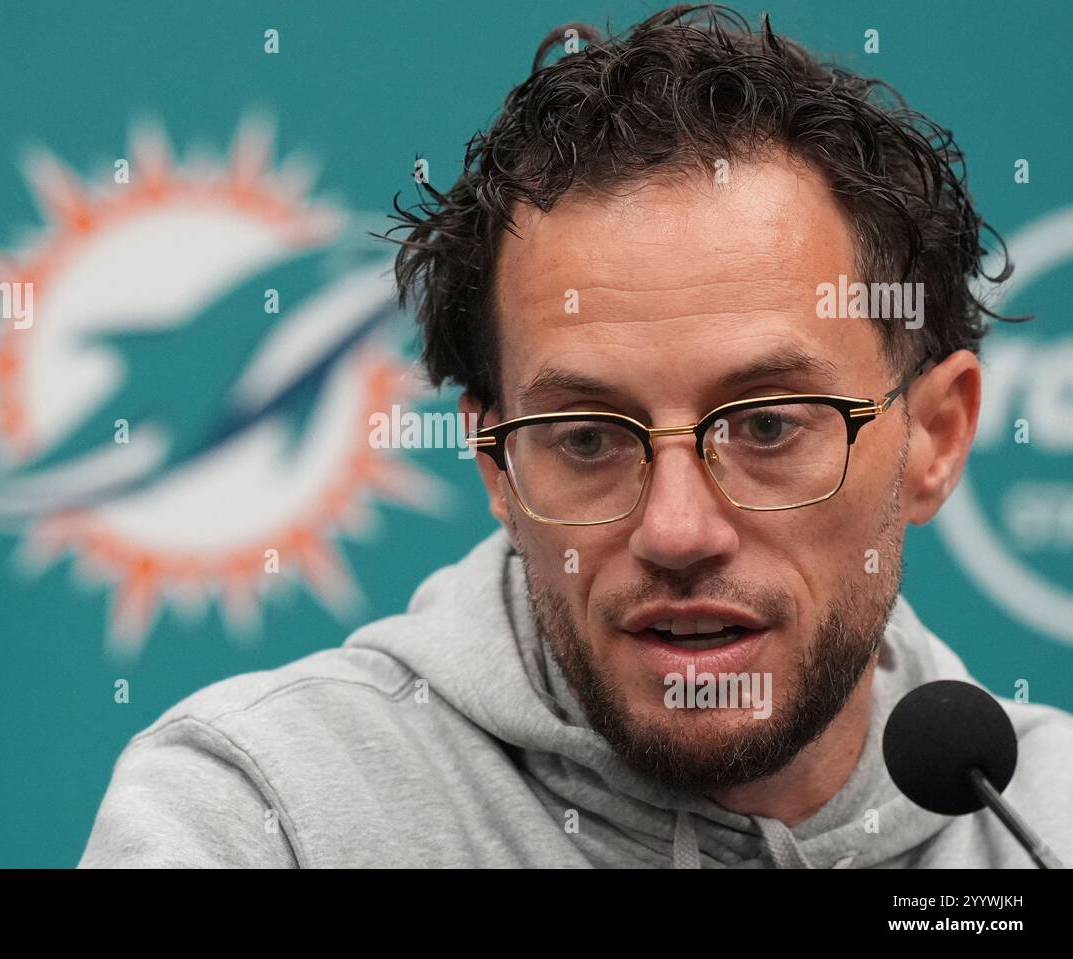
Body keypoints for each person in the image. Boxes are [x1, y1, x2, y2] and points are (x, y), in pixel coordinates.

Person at [79, 4, 1073, 868]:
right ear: (497, 469)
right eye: (587, 438)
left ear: (936, 435)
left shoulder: (1049, 821)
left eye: (766, 424)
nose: (678, 531)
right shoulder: (262, 812)